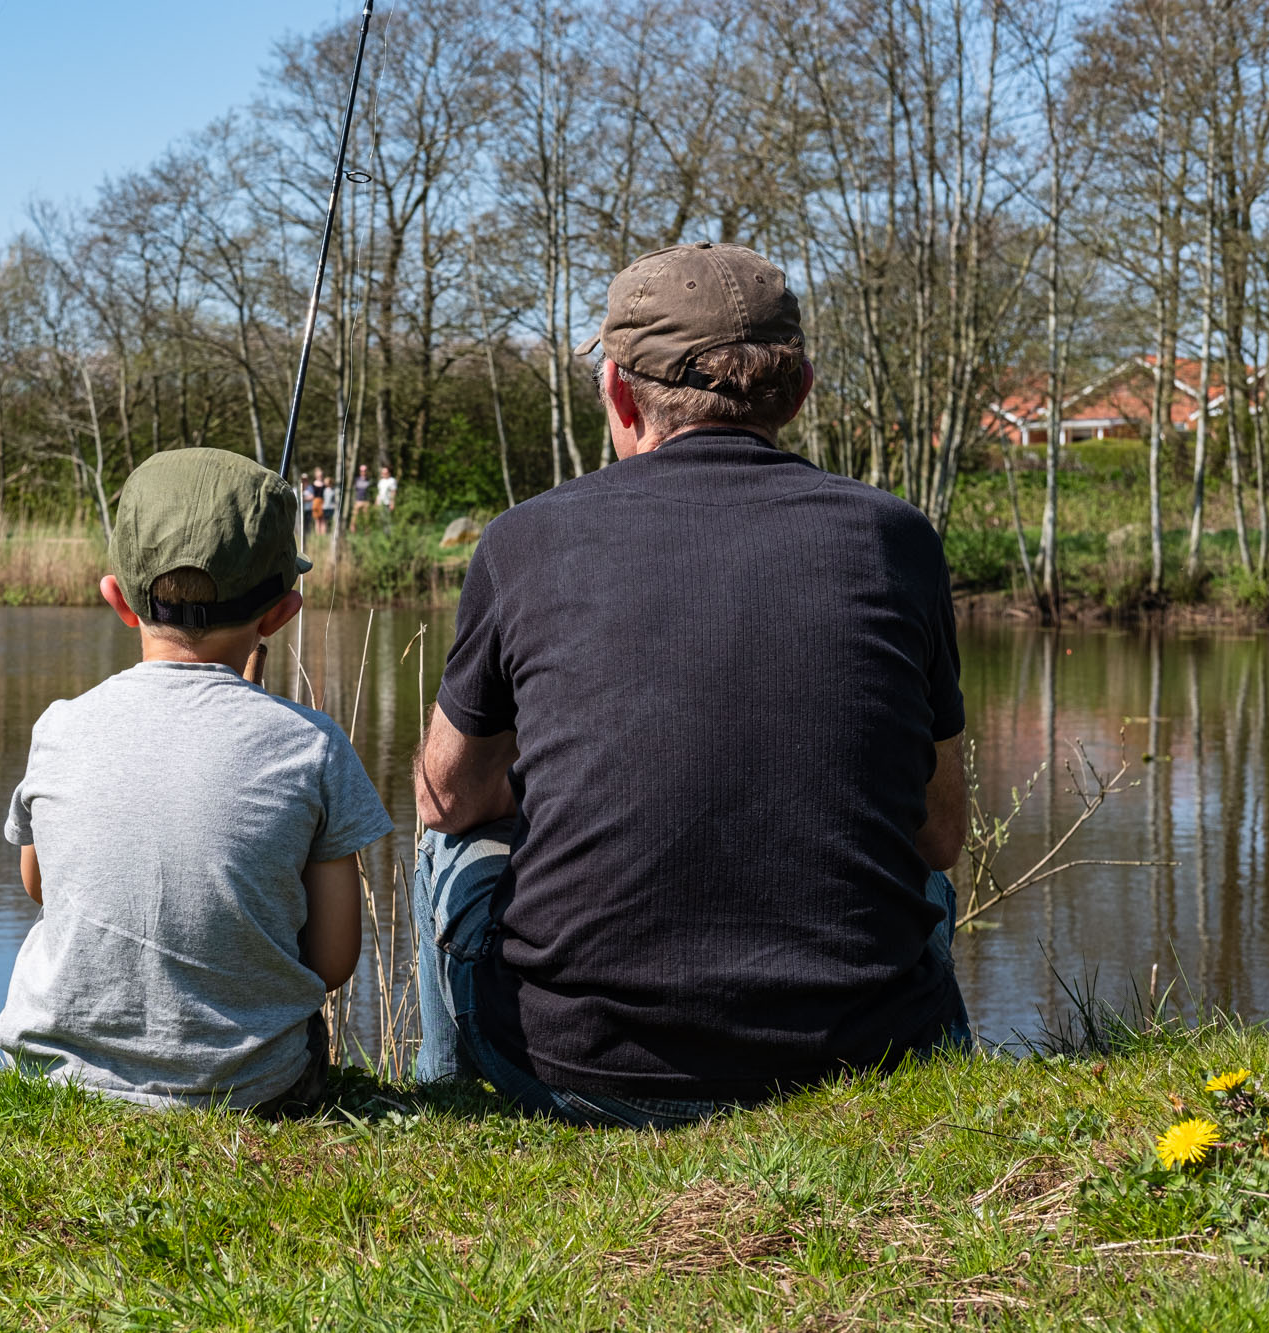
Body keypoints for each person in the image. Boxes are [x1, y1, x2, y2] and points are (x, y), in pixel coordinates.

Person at [411, 242, 968, 1129]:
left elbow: (448, 797)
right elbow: (941, 831)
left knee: (439, 844)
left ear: (619, 394)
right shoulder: (895, 539)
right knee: (919, 879)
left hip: (573, 1068)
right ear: (801, 389)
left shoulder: (524, 541)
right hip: (862, 1066)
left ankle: (447, 1102)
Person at [0, 448, 394, 1113]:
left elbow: (39, 884)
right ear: (281, 612)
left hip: (52, 1080)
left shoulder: (59, 726)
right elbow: (331, 959)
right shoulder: (312, 743)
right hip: (252, 1093)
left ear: (117, 599)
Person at [310, 469, 328, 537]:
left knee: (323, 519)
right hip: (315, 503)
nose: (320, 476)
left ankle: (323, 535)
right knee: (317, 520)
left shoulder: (324, 484)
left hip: (323, 502)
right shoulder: (313, 484)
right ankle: (318, 535)